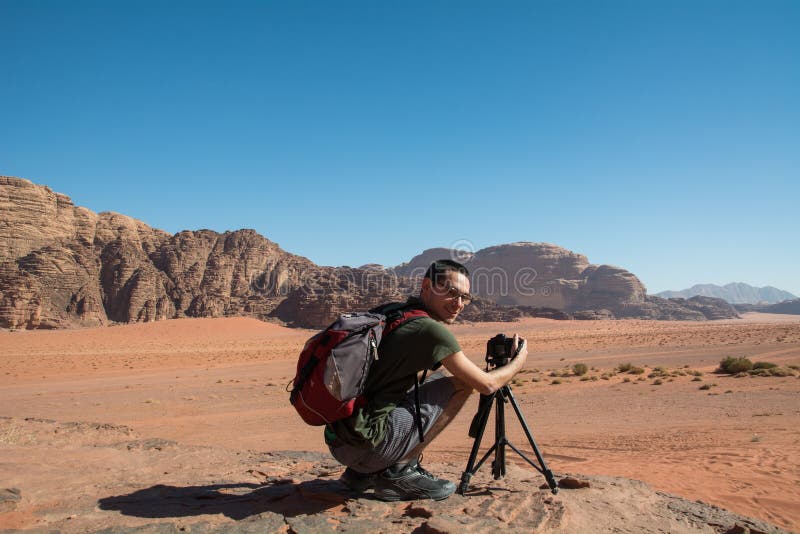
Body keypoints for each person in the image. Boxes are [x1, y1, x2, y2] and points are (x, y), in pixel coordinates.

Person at [325, 259, 529, 501]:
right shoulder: (430, 330)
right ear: (426, 286)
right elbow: (487, 385)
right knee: (462, 384)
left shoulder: (392, 312)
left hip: (340, 441)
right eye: (451, 292)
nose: (459, 303)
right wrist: (518, 361)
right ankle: (400, 472)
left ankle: (361, 475)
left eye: (465, 297)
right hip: (366, 447)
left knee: (438, 377)